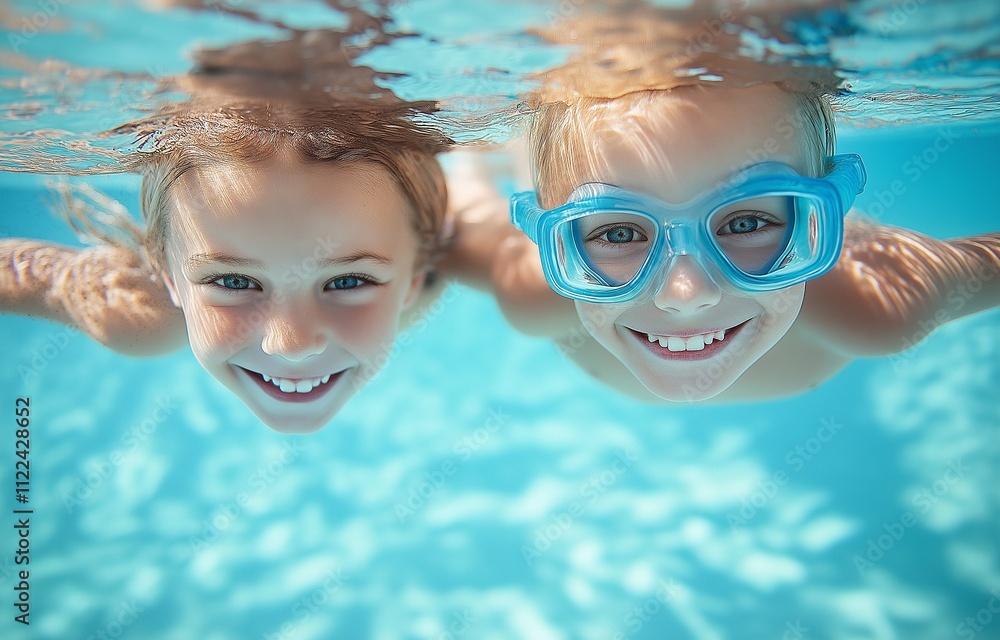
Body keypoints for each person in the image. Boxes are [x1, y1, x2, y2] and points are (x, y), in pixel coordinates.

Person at [450, 81, 1000, 403]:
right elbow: (460, 230)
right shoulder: (532, 290)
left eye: (743, 223)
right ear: (553, 243)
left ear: (825, 216)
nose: (686, 292)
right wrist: (463, 172)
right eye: (619, 232)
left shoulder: (879, 303)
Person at [1, 102, 452, 432]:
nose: (290, 345)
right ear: (165, 273)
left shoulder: (444, 258)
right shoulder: (137, 310)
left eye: (348, 280)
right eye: (235, 281)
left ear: (417, 275)